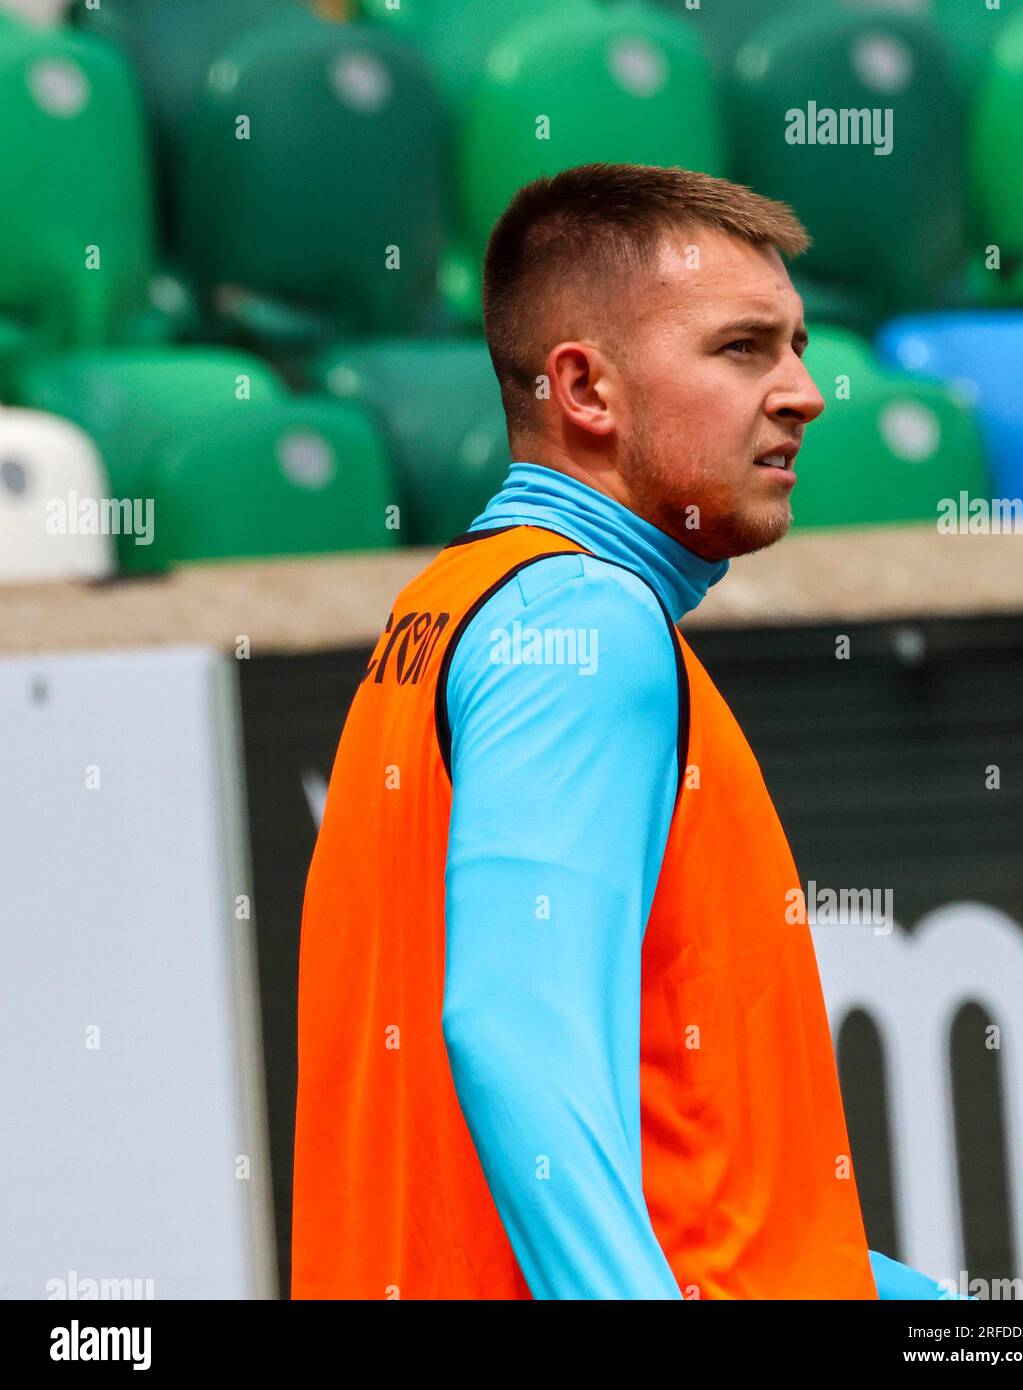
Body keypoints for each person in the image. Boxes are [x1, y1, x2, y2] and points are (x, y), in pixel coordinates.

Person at [292, 162, 957, 1299]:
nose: (804, 391)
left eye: (796, 344)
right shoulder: (582, 624)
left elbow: (699, 1203)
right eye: (743, 348)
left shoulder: (451, 610)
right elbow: (513, 1034)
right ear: (584, 391)